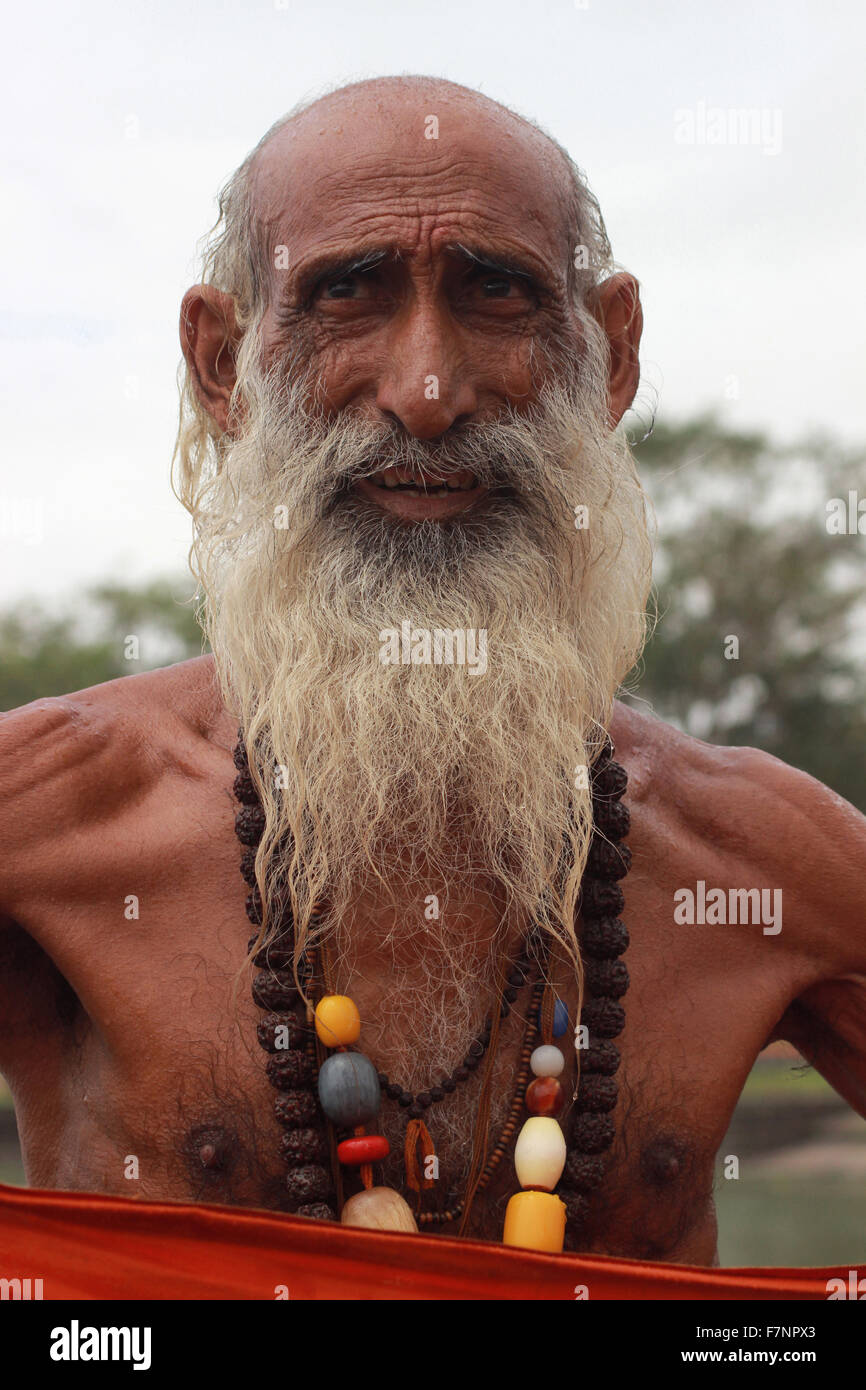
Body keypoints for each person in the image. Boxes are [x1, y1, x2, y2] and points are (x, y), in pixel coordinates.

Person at [2, 76, 864, 1265]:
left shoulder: (765, 859)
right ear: (220, 366)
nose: (423, 393)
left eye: (495, 291)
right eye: (345, 294)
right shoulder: (50, 819)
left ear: (608, 358)